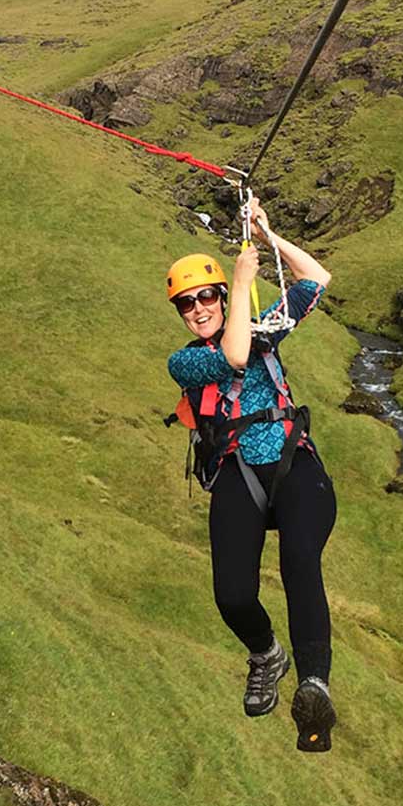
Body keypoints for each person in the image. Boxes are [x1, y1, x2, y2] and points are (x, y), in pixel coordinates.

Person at [165, 197, 339, 752]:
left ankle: (315, 685)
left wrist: (267, 237)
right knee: (232, 595)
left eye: (205, 296)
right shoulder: (185, 361)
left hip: (293, 463)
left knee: (299, 564)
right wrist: (240, 282)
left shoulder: (266, 329)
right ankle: (267, 653)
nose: (197, 309)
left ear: (217, 295)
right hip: (238, 470)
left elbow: (317, 277)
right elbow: (235, 355)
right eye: (186, 303)